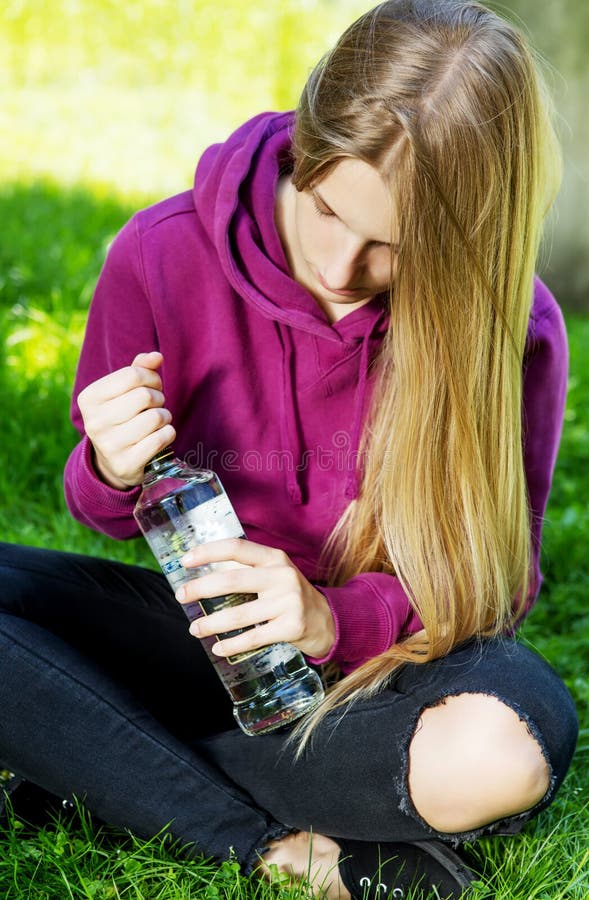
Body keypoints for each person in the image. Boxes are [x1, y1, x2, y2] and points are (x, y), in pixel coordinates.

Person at [0, 0, 579, 897]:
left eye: (392, 245)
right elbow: (105, 510)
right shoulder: (161, 253)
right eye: (324, 210)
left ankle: (97, 752)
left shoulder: (514, 328)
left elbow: (498, 584)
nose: (341, 267)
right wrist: (108, 467)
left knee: (499, 754)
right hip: (193, 642)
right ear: (303, 149)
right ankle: (280, 848)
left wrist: (328, 619)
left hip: (373, 683)